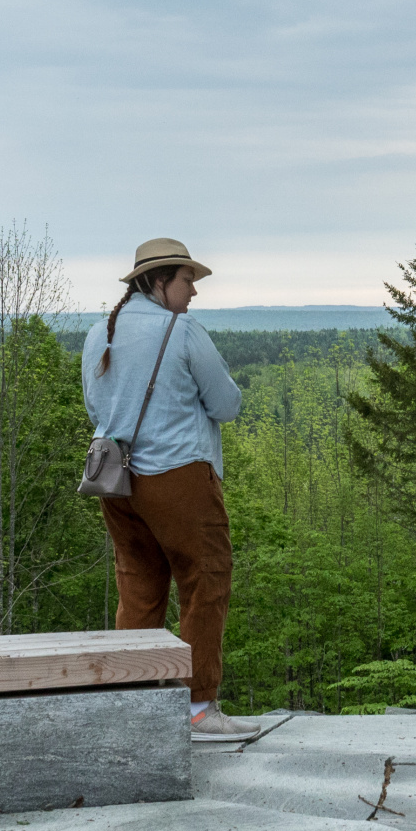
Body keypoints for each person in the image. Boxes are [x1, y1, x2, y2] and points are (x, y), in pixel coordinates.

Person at [82, 237, 260, 739]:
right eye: (188, 281)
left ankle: (137, 708)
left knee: (138, 586)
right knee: (206, 579)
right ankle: (198, 706)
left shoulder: (100, 333)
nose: (194, 293)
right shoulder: (182, 332)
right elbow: (226, 404)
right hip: (179, 475)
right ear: (158, 281)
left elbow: (97, 410)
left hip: (115, 480)